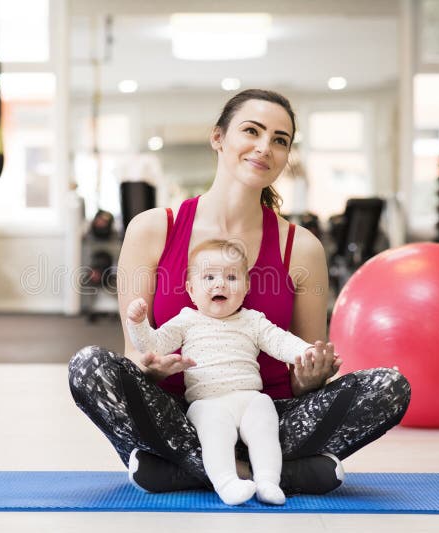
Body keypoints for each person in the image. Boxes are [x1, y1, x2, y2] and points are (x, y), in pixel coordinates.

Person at [68, 88, 411, 497]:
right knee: (89, 367)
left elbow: (303, 369)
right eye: (252, 131)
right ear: (218, 137)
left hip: (269, 417)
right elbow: (134, 354)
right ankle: (271, 473)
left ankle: (184, 471)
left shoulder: (301, 247)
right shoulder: (151, 229)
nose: (265, 147)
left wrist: (309, 378)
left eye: (280, 140)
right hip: (178, 417)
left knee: (390, 386)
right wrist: (150, 367)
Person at [126, 238, 342, 505]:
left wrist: (310, 353)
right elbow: (153, 345)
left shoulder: (252, 320)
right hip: (207, 402)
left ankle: (268, 480)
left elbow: (282, 342)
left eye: (231, 277)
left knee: (264, 419)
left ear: (246, 287)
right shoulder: (186, 320)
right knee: (214, 432)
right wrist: (138, 324)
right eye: (209, 277)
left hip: (248, 397)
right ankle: (226, 483)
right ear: (191, 290)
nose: (220, 284)